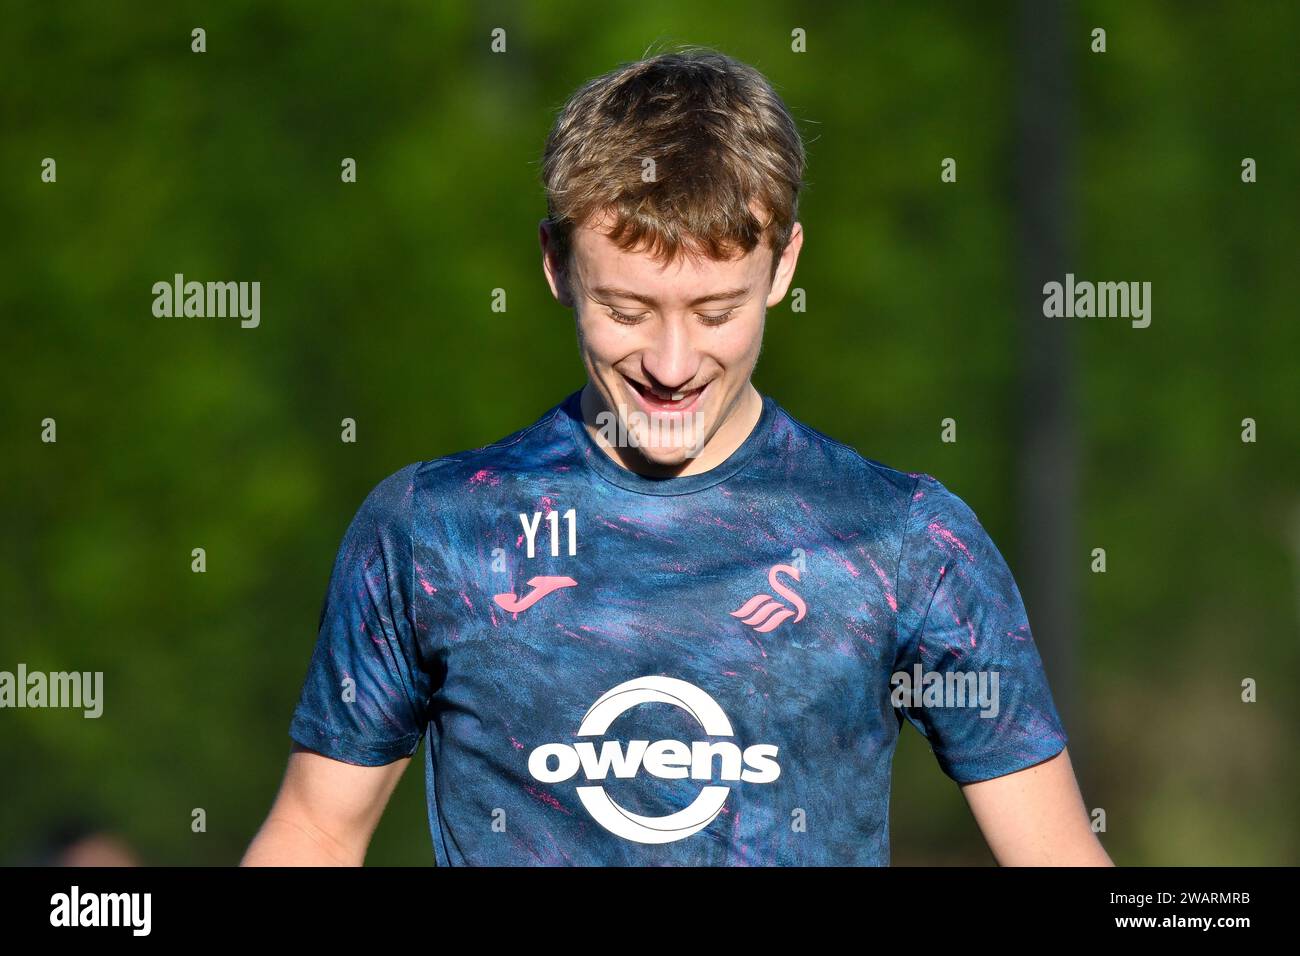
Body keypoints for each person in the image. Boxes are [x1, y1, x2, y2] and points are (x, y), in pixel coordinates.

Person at [242, 47, 1112, 866]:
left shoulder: (905, 540)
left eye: (716, 311)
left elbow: (1055, 855)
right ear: (555, 265)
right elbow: (317, 829)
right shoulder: (434, 533)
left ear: (783, 266)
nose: (669, 364)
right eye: (624, 311)